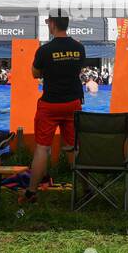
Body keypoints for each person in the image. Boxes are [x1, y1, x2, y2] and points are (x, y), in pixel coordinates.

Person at [20, 14, 87, 204]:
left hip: (50, 104)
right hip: (73, 102)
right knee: (73, 147)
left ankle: (31, 192)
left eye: (48, 22)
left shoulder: (45, 50)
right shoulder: (79, 48)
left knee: (42, 148)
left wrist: (49, 70)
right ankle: (87, 188)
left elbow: (35, 73)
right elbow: (77, 70)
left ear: (53, 24)